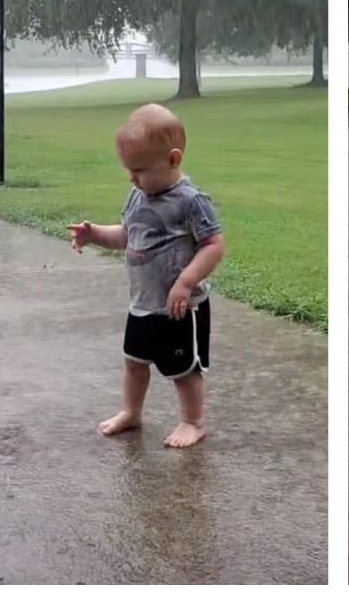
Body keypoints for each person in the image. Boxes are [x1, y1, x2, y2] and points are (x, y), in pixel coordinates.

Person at [68, 103, 225, 446]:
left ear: (172, 159)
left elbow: (214, 245)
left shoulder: (191, 201)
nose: (132, 177)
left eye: (139, 169)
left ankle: (193, 421)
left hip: (179, 307)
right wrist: (94, 234)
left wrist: (185, 283)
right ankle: (132, 412)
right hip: (142, 303)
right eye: (128, 170)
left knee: (183, 371)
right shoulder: (138, 195)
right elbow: (126, 235)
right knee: (134, 363)